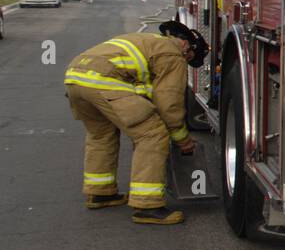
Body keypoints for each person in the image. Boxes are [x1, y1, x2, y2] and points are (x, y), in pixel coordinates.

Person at [64, 20, 208, 224]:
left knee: (101, 134)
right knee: (152, 135)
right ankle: (147, 206)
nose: (186, 60)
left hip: (75, 78)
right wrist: (182, 139)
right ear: (186, 45)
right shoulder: (172, 53)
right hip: (103, 81)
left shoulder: (147, 41)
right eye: (190, 57)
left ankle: (100, 193)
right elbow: (169, 102)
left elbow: (141, 91)